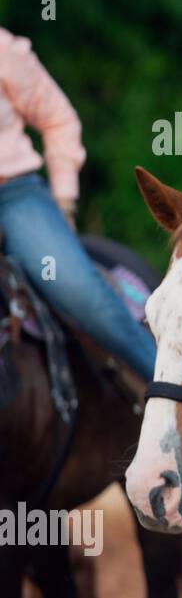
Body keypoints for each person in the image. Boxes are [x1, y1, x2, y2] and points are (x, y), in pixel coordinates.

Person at [0, 27, 156, 383]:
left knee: (81, 294)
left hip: (13, 196)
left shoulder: (3, 50)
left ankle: (180, 393)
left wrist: (64, 200)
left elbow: (58, 117)